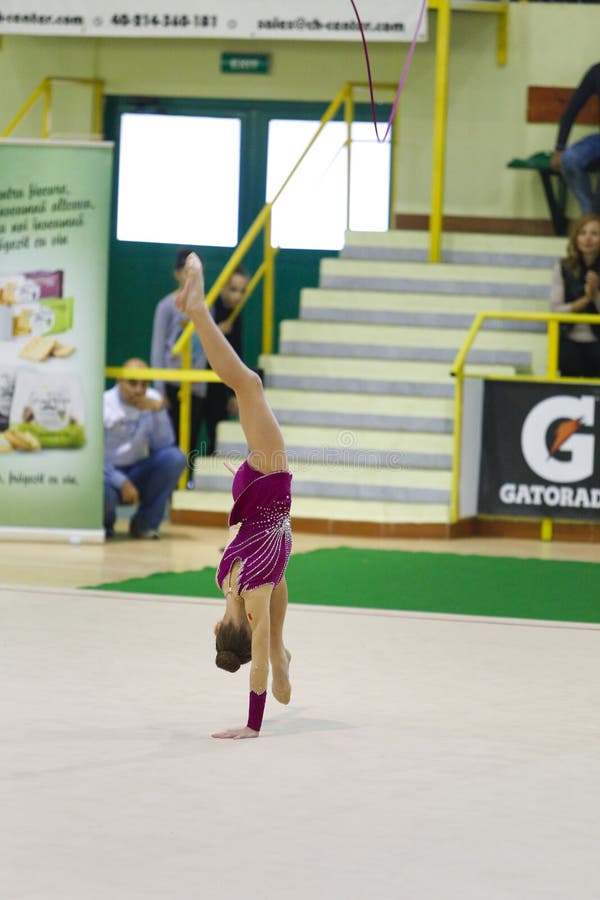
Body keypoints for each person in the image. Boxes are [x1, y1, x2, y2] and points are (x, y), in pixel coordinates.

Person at [176, 252, 292, 740]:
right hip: (262, 491)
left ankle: (286, 655)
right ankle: (199, 310)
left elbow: (237, 535)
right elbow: (256, 652)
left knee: (248, 386)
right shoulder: (243, 590)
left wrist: (241, 483)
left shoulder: (233, 584)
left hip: (258, 493)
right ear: (222, 626)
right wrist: (252, 724)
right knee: (248, 384)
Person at [103, 358, 186, 539]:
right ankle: (104, 524)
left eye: (144, 384)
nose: (139, 390)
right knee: (103, 494)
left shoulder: (153, 399)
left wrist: (158, 412)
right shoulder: (104, 403)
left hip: (137, 470)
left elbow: (165, 445)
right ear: (119, 381)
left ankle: (145, 524)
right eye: (132, 383)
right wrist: (120, 481)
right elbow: (92, 459)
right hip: (107, 474)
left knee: (175, 458)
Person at [150, 247, 207, 485]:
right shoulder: (166, 306)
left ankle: (187, 482)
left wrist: (200, 381)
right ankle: (168, 485)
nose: (190, 276)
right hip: (172, 383)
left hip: (194, 384)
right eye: (186, 271)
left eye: (196, 272)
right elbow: (158, 346)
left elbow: (206, 346)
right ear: (177, 274)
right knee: (169, 438)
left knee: (191, 437)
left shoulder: (206, 306)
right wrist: (159, 389)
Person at [202, 264, 249, 457]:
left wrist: (234, 393)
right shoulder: (209, 308)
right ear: (222, 287)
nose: (238, 296)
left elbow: (236, 353)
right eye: (233, 289)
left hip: (221, 380)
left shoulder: (236, 315)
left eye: (242, 291)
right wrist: (215, 333)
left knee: (217, 430)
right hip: (202, 379)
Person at [550, 213, 600, 377]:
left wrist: (595, 295)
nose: (587, 239)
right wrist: (584, 301)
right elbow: (554, 309)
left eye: (594, 234)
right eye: (582, 233)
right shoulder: (563, 266)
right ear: (575, 238)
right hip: (569, 341)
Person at [551, 63, 600, 214]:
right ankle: (590, 215)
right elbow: (571, 110)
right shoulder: (596, 72)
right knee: (570, 158)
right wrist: (560, 148)